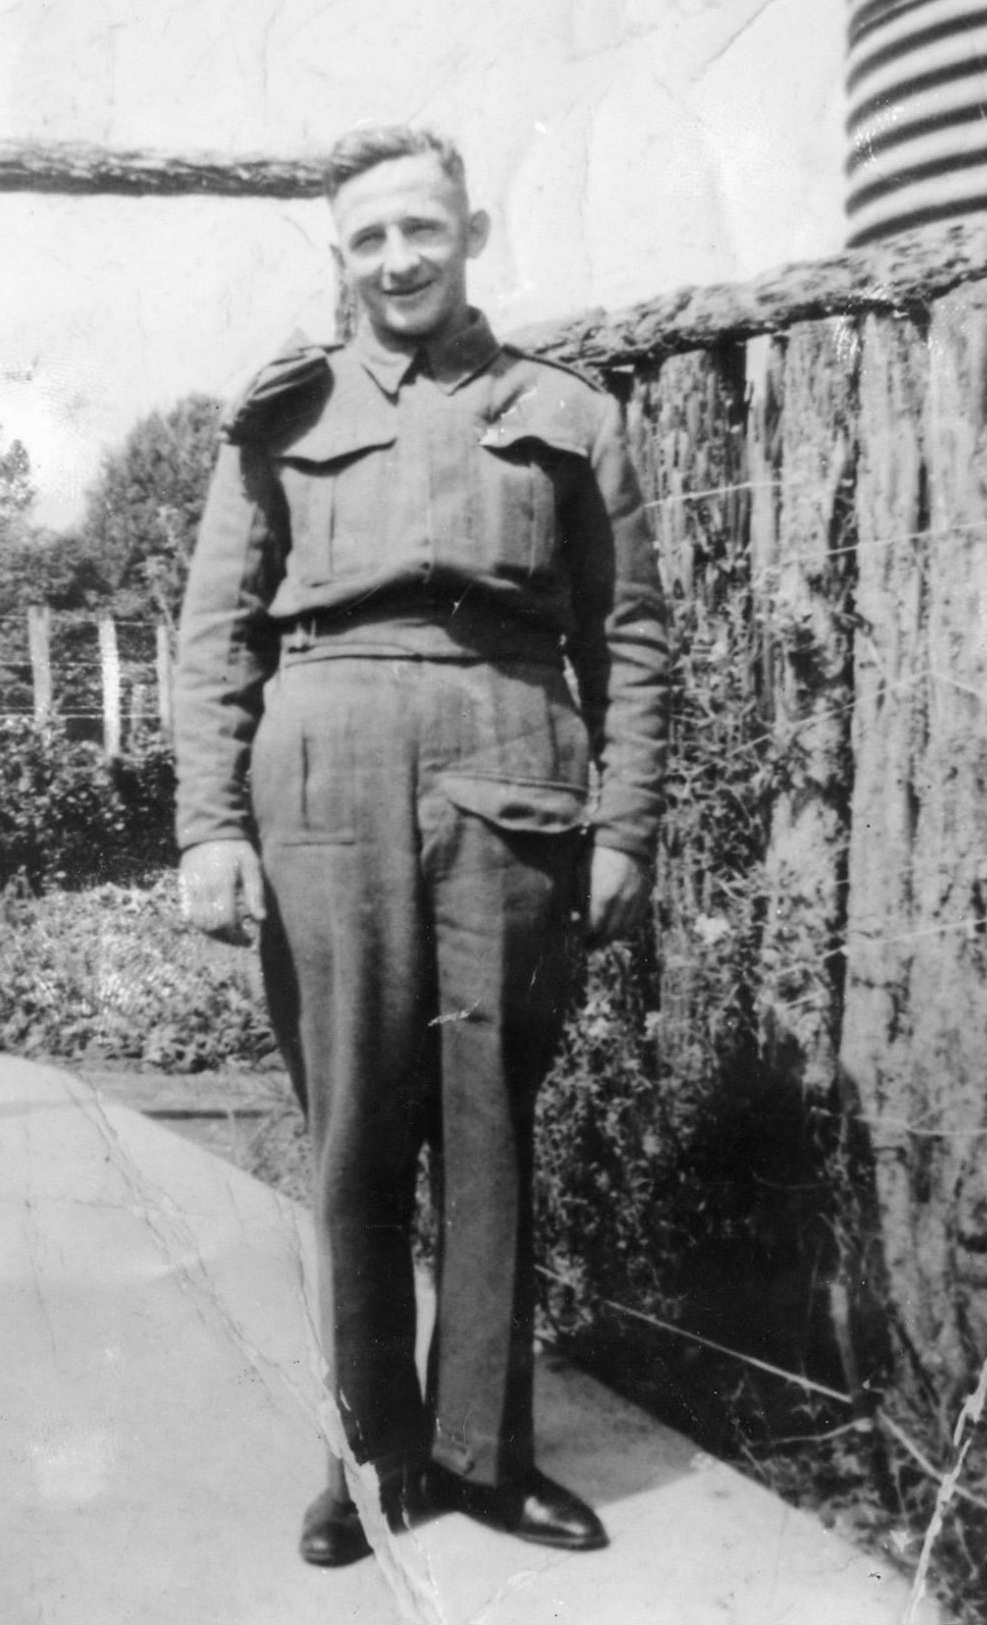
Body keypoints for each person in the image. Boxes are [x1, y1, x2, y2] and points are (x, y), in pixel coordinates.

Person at [174, 125, 668, 1567]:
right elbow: (216, 636)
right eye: (369, 239)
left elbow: (630, 637)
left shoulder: (567, 413)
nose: (397, 260)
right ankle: (366, 1453)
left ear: (472, 235)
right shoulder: (281, 412)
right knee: (354, 1130)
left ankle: (485, 1458)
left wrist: (626, 826)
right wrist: (210, 826)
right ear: (342, 255)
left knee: (488, 1123)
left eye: (422, 231)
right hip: (324, 776)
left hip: (514, 772)